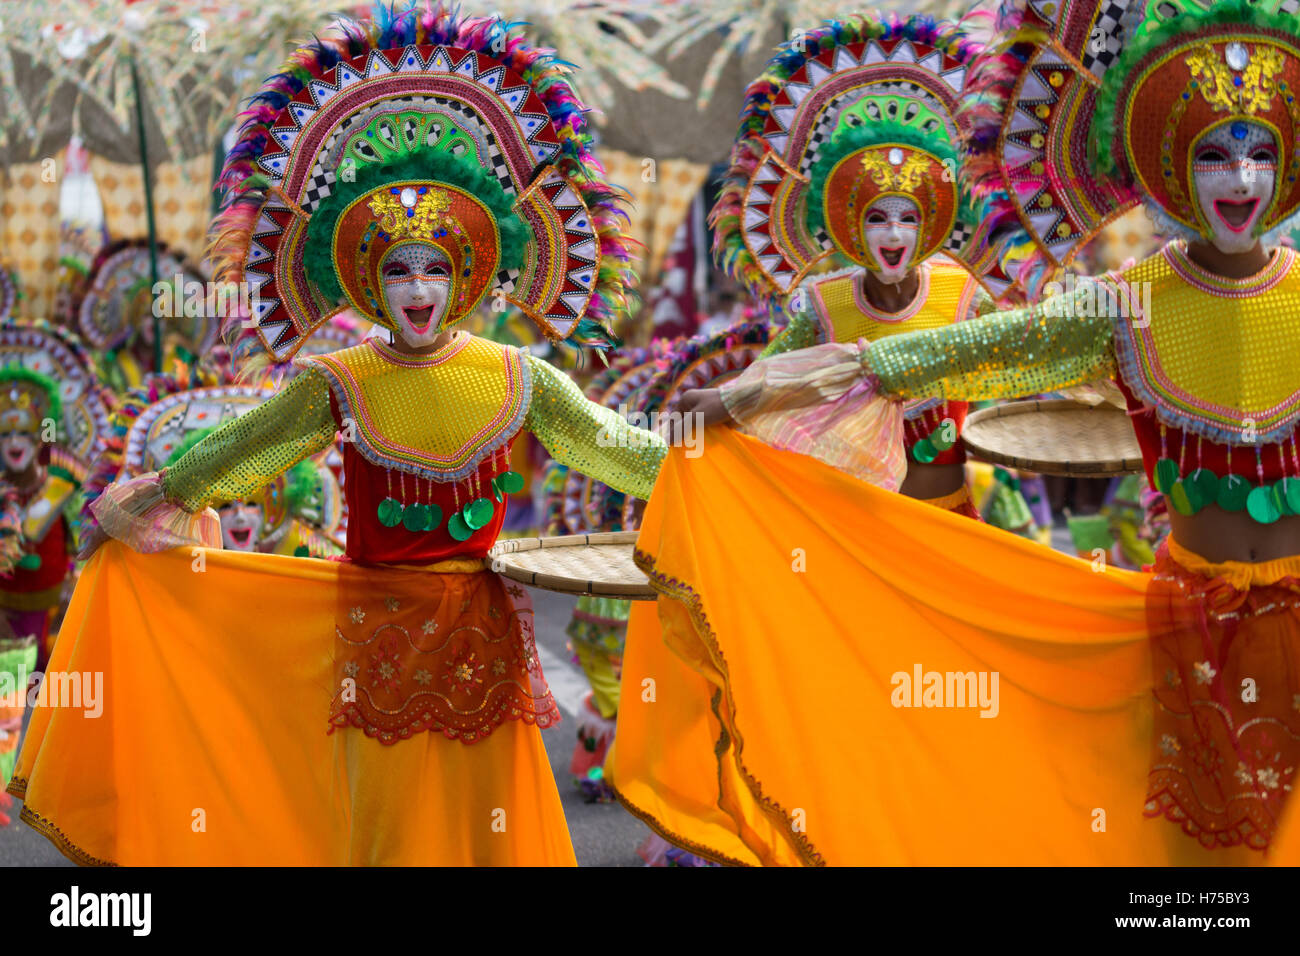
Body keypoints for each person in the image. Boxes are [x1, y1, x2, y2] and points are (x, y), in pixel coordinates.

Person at [610, 0, 1300, 865]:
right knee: (1198, 850)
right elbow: (947, 357)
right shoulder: (1126, 301)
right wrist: (743, 402)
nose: (1239, 181)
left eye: (1260, 152)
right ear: (1168, 163)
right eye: (1212, 154)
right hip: (1181, 625)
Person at [10, 3, 663, 866]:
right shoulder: (340, 380)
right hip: (375, 641)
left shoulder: (521, 377)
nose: (420, 286)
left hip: (483, 641)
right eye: (398, 267)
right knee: (384, 831)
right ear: (365, 277)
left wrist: (722, 464)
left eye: (438, 266)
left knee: (484, 828)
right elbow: (242, 450)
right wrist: (151, 499)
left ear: (470, 271)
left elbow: (616, 449)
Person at [710, 12, 1015, 515]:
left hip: (952, 527)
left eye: (908, 219)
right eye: (876, 218)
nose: (894, 235)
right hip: (856, 532)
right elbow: (762, 388)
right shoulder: (825, 307)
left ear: (932, 222)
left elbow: (1025, 359)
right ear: (849, 225)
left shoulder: (962, 294)